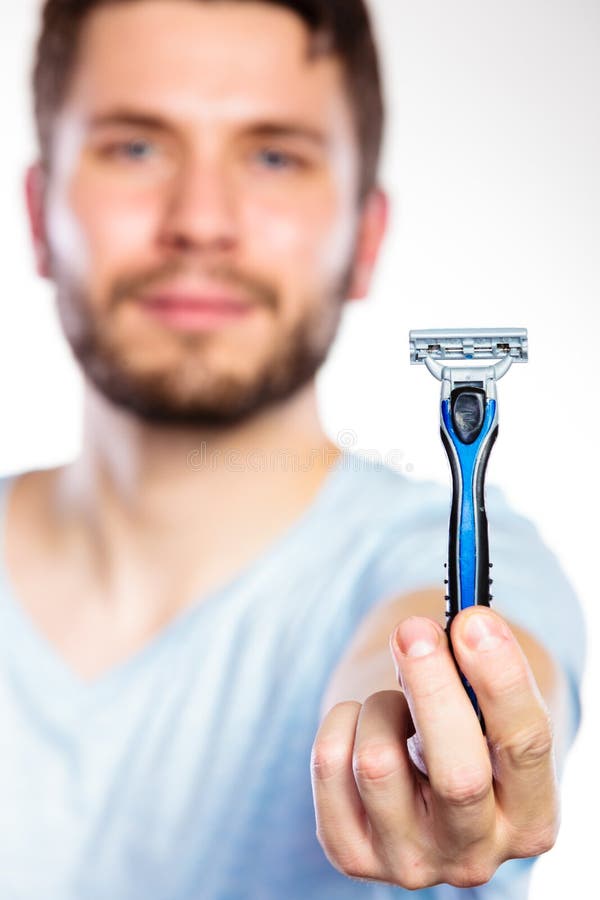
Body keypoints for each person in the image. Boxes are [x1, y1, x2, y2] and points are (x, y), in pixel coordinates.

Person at [0, 0, 585, 897]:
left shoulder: (441, 553)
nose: (201, 221)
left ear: (366, 237)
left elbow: (440, 649)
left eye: (274, 156)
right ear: (39, 215)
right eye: (135, 147)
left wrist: (413, 735)